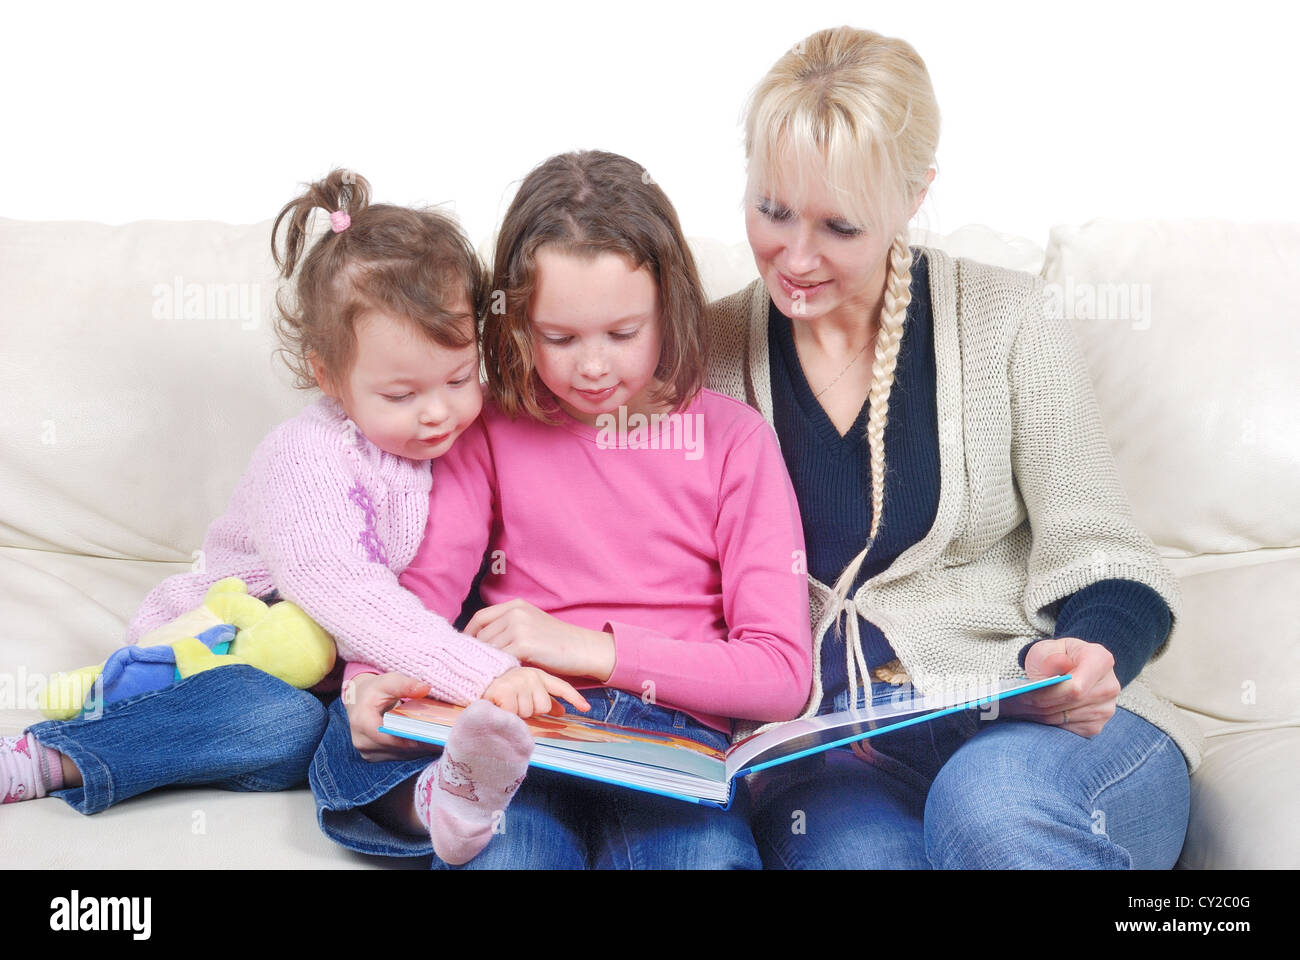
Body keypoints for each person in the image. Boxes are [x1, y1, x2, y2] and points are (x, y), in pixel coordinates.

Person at [706, 27, 1202, 868]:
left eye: (839, 226)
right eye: (772, 211)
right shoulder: (708, 354)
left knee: (987, 813)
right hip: (838, 768)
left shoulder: (1010, 320)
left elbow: (1107, 557)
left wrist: (1085, 655)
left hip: (1035, 732)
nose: (794, 258)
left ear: (913, 196)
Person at [2, 170, 579, 813]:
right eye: (400, 395)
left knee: (314, 736)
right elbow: (343, 591)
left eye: (457, 377)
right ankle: (52, 755)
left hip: (334, 678)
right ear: (328, 376)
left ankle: (450, 798)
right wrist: (486, 674)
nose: (438, 412)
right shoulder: (308, 456)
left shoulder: (460, 446)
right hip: (224, 648)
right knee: (279, 722)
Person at [312, 150, 813, 869]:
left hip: (671, 748)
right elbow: (415, 607)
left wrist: (591, 649)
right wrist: (368, 686)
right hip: (523, 730)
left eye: (623, 333)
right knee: (507, 857)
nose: (593, 367)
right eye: (560, 338)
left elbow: (780, 673)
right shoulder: (487, 431)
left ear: (669, 306)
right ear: (515, 322)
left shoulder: (735, 441)